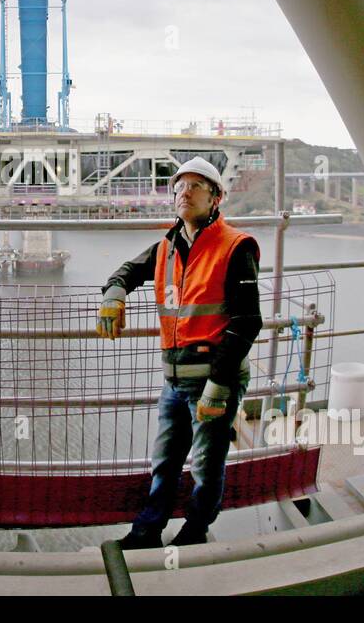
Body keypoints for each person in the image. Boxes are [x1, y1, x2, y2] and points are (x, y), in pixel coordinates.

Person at [96, 157, 262, 549]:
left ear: (216, 198)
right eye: (179, 187)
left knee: (206, 463)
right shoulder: (167, 247)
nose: (184, 193)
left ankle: (195, 531)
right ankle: (147, 532)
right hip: (174, 382)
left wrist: (218, 386)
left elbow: (247, 322)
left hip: (213, 381)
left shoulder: (235, 247)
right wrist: (114, 296)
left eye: (196, 187)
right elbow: (125, 272)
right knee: (165, 462)